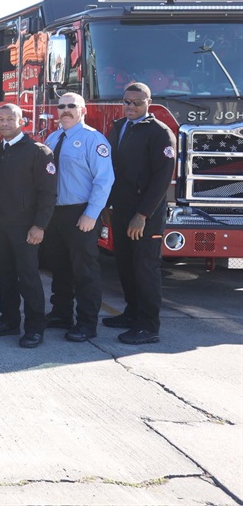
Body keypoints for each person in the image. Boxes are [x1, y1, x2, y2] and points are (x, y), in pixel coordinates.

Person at [105, 82, 174, 345]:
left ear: (149, 102)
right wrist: (106, 205)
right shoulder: (119, 127)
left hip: (146, 215)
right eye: (126, 102)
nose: (130, 107)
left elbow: (161, 180)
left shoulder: (160, 133)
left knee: (145, 268)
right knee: (125, 265)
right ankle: (132, 313)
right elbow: (111, 171)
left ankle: (148, 326)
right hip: (121, 210)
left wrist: (142, 215)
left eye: (137, 102)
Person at [43, 92, 115, 342]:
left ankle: (86, 323)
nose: (65, 110)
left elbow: (105, 180)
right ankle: (60, 314)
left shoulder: (93, 140)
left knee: (85, 271)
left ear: (83, 110)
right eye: (61, 106)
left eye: (71, 106)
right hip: (55, 213)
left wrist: (91, 214)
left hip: (81, 212)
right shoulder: (52, 138)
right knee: (59, 268)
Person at [0, 103, 57, 348]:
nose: (4, 123)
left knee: (28, 278)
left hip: (26, 229)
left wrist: (40, 226)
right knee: (4, 276)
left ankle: (35, 328)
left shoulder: (38, 152)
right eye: (0, 119)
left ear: (21, 121)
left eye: (10, 119)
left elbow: (48, 193)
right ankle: (9, 321)